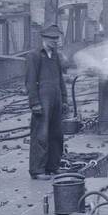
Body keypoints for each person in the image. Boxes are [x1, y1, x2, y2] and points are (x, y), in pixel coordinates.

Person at [25, 23, 69, 179]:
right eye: (52, 38)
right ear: (43, 38)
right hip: (42, 101)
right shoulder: (34, 56)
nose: (55, 41)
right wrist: (34, 103)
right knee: (41, 135)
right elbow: (30, 82)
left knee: (56, 134)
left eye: (56, 38)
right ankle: (37, 170)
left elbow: (60, 79)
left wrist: (64, 99)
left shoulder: (55, 55)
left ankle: (53, 166)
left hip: (56, 99)